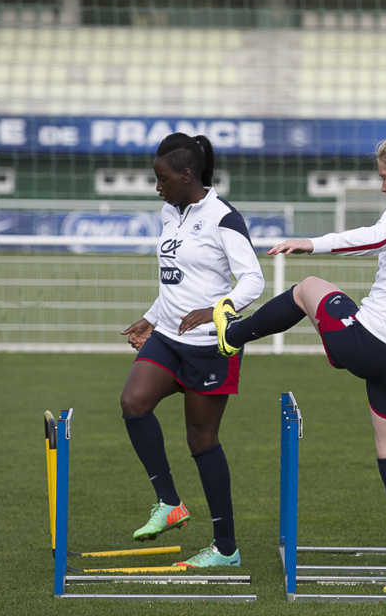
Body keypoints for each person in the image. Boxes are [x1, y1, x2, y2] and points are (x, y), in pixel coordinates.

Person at [208, 123, 386, 595]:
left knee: (308, 287)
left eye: (384, 177)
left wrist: (309, 242)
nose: (381, 186)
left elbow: (372, 238)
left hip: (370, 344)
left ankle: (233, 333)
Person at [118, 132, 265, 568]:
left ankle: (226, 548)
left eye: (163, 179)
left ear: (187, 175)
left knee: (202, 441)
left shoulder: (224, 218)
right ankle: (169, 503)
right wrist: (151, 315)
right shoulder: (169, 211)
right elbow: (175, 279)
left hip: (210, 345)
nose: (157, 187)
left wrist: (216, 309)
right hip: (168, 335)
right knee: (133, 401)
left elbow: (253, 281)